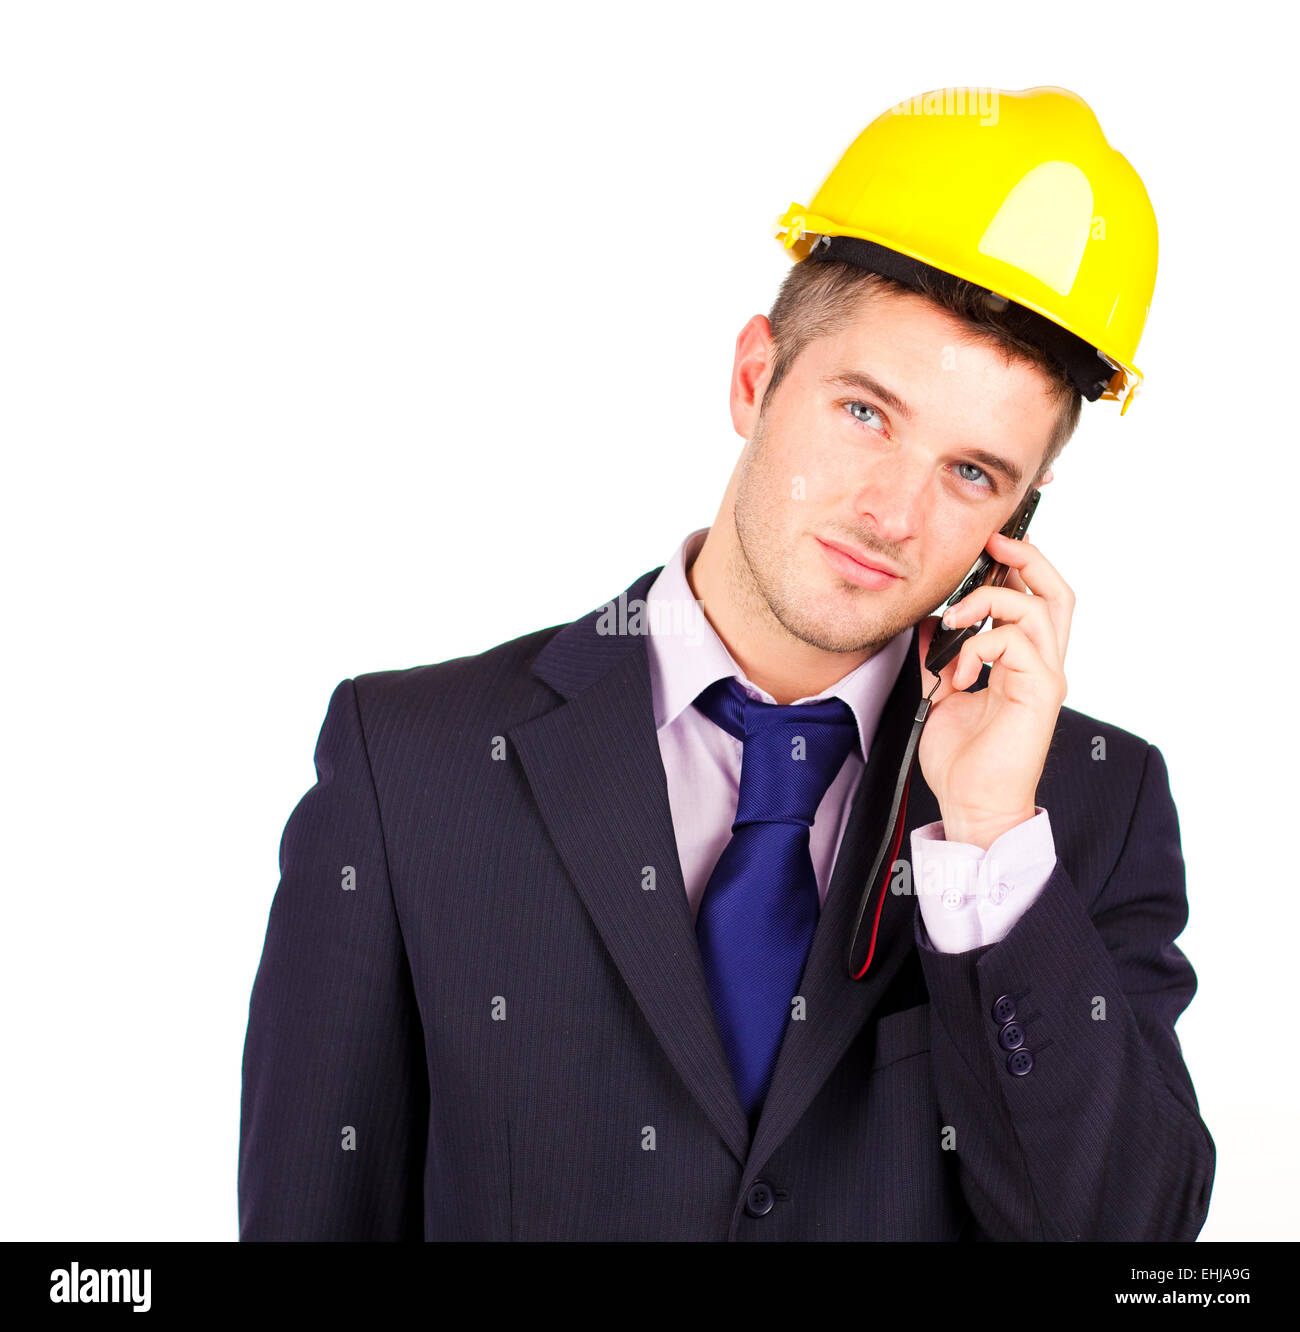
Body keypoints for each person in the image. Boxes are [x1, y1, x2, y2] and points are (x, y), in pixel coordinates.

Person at [238, 85, 1214, 1241]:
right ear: (754, 379)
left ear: (1018, 521)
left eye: (971, 474)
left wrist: (988, 843)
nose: (893, 514)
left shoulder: (1086, 806)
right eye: (865, 413)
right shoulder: (413, 762)